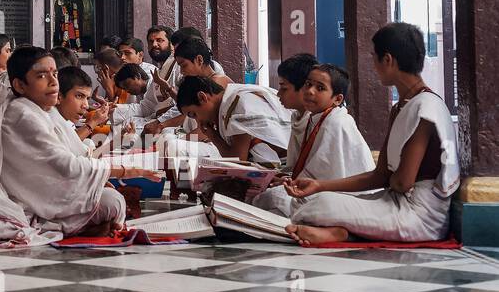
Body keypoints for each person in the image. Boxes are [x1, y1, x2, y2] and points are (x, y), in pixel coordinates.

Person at [0, 47, 158, 245]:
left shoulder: (40, 110)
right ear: (20, 85)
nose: (53, 81)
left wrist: (96, 180)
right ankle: (76, 226)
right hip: (25, 205)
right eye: (41, 75)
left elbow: (76, 154)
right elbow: (66, 165)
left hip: (44, 195)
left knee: (112, 200)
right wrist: (128, 171)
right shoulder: (22, 114)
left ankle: (84, 226)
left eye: (54, 74)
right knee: (113, 203)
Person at [287, 23, 459, 245]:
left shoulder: (425, 108)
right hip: (395, 201)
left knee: (317, 209)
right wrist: (320, 185)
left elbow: (402, 183)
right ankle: (339, 233)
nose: (374, 66)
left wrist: (393, 180)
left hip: (420, 216)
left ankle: (339, 232)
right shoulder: (401, 108)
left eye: (374, 58)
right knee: (316, 201)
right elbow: (380, 176)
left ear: (387, 60)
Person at [255, 63, 373, 216]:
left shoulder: (335, 122)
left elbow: (324, 173)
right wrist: (288, 178)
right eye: (308, 84)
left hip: (343, 195)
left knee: (273, 197)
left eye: (320, 88)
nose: (310, 91)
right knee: (267, 196)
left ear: (337, 99)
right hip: (319, 188)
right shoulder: (314, 118)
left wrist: (293, 181)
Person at [174, 75, 291, 166]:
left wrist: (213, 136)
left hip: (290, 166)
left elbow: (237, 161)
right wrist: (212, 134)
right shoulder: (228, 103)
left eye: (194, 114)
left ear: (202, 97)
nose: (198, 121)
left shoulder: (237, 104)